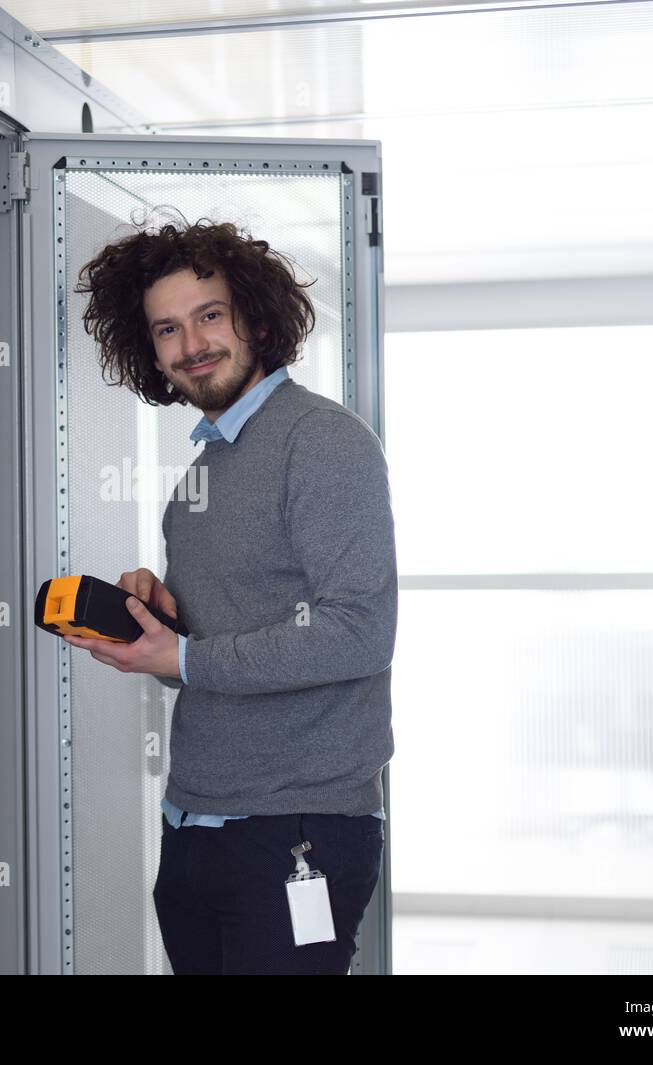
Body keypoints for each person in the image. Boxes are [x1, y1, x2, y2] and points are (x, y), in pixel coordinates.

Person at [62, 210, 398, 975]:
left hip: (292, 831)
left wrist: (181, 656)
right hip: (194, 823)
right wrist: (162, 604)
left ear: (254, 314)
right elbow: (239, 619)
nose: (192, 344)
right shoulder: (199, 476)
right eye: (167, 329)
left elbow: (358, 631)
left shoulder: (322, 441)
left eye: (209, 315)